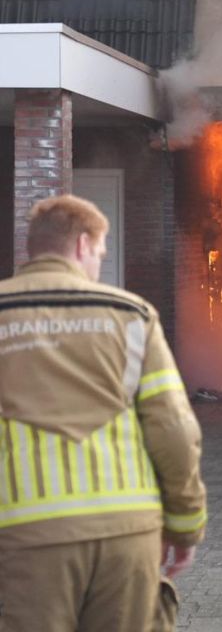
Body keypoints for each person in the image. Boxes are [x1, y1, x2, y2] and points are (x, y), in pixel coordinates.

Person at [0, 195, 207, 632]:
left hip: (24, 538)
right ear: (81, 246)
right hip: (127, 535)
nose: (97, 263)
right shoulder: (131, 316)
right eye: (99, 253)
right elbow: (173, 429)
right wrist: (186, 525)